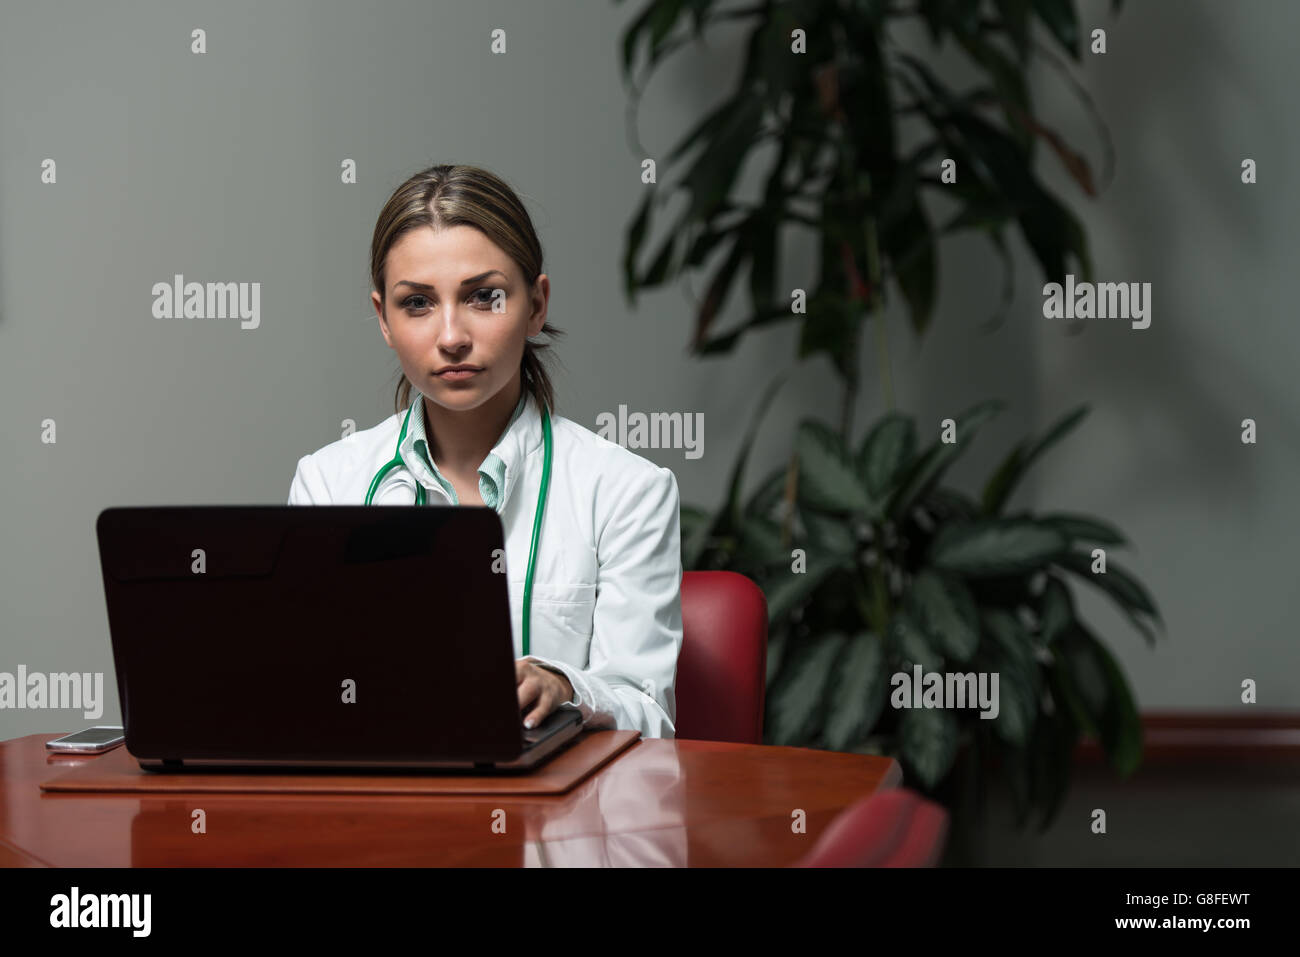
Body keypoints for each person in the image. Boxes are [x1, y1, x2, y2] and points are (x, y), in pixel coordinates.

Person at [287, 164, 682, 739]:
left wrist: (565, 685)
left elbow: (652, 721)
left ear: (536, 305)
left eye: (483, 297)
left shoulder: (627, 491)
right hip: (384, 815)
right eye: (417, 303)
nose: (451, 336)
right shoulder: (326, 485)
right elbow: (305, 695)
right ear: (384, 320)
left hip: (557, 822)